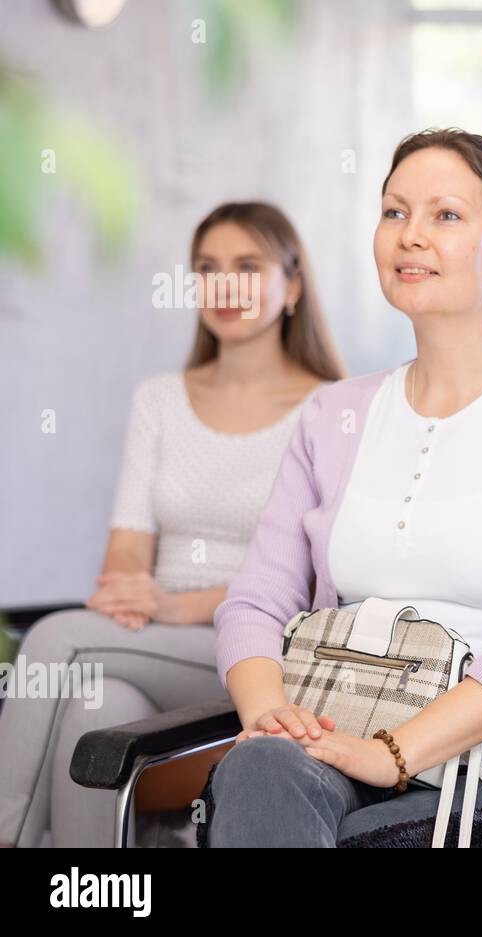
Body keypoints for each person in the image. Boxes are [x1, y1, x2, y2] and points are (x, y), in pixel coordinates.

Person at [203, 129, 482, 848]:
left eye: (446, 216)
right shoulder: (332, 414)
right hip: (327, 743)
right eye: (395, 212)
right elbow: (254, 601)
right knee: (260, 771)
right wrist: (274, 716)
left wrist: (392, 752)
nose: (411, 237)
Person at [0, 202, 342, 847]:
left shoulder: (329, 408)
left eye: (248, 265)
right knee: (95, 708)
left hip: (254, 647)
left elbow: (308, 581)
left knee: (53, 639)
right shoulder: (158, 397)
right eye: (208, 268)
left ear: (292, 286)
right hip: (148, 636)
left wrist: (175, 605)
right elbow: (128, 545)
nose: (224, 285)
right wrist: (134, 597)